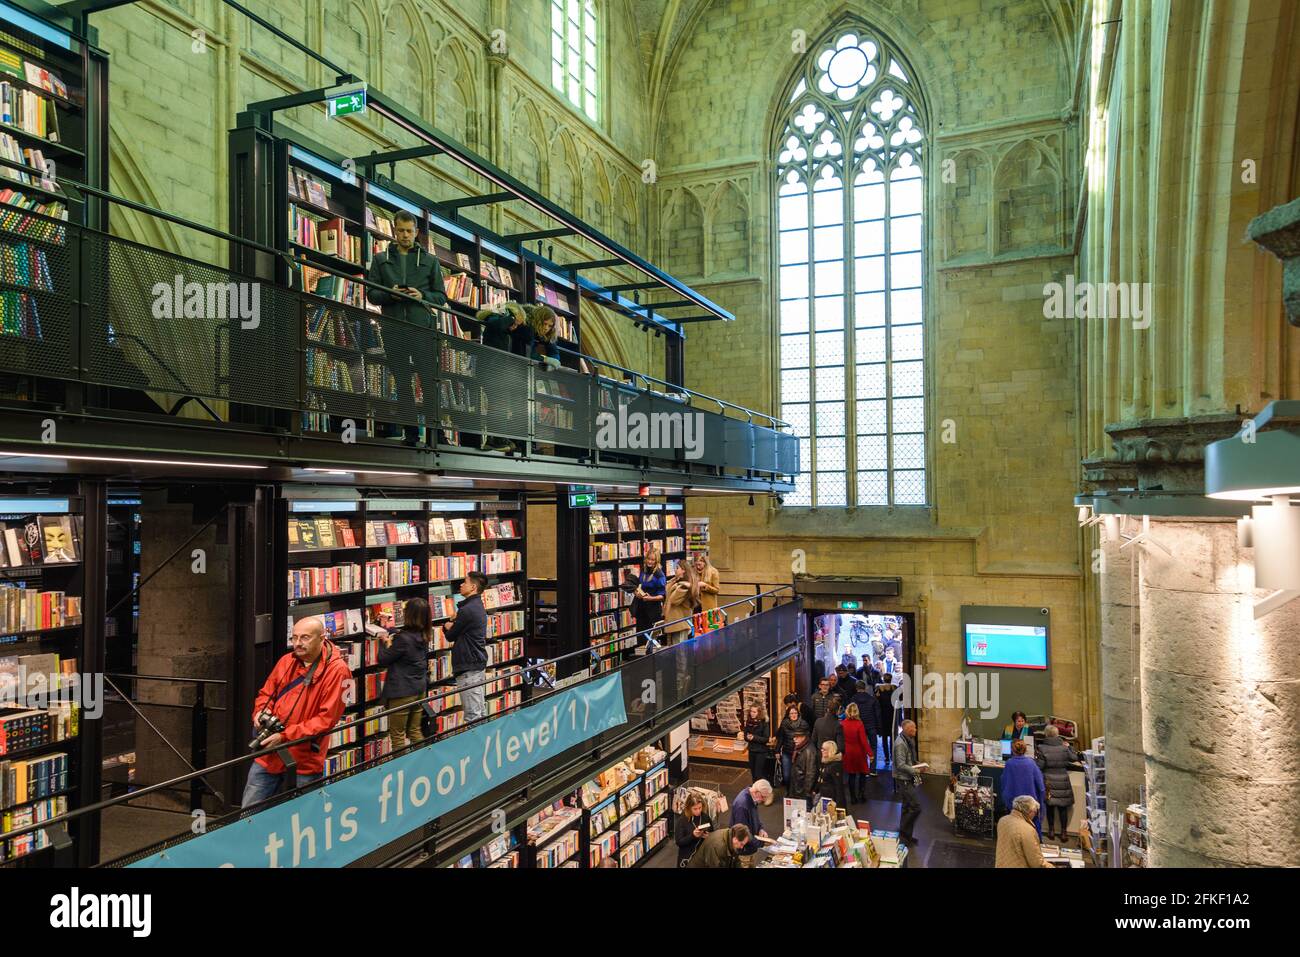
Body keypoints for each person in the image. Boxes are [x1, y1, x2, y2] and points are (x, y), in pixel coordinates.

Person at [241, 616, 350, 807]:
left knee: (303, 820)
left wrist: (285, 736)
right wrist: (259, 713)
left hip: (304, 757)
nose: (298, 644)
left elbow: (326, 720)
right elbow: (266, 693)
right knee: (249, 813)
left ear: (322, 638)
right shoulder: (286, 661)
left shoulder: (338, 671)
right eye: (294, 638)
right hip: (270, 751)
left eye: (305, 638)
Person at [365, 210, 447, 323]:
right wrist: (390, 294)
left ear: (416, 232)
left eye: (409, 231)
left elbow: (441, 297)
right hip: (391, 327)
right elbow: (371, 295)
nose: (405, 235)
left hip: (421, 329)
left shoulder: (431, 261)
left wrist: (422, 296)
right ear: (395, 231)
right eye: (401, 230)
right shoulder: (380, 259)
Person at [378, 597, 432, 751]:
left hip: (402, 692)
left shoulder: (403, 639)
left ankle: (402, 771)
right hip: (419, 688)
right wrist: (391, 632)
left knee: (397, 734)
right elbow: (406, 643)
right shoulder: (424, 634)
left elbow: (383, 659)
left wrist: (384, 642)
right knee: (414, 731)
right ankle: (423, 763)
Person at [443, 571, 488, 724]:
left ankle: (476, 747)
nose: (461, 585)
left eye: (464, 582)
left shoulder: (467, 610)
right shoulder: (477, 605)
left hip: (469, 666)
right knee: (479, 711)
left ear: (473, 587)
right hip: (476, 662)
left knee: (472, 715)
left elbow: (450, 635)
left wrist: (447, 625)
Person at [1035, 725, 1080, 842]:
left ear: (1045, 734)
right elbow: (1074, 758)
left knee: (1050, 806)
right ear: (1057, 734)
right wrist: (1069, 747)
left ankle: (1051, 831)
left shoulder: (1041, 747)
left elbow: (1040, 766)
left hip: (1048, 780)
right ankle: (1064, 833)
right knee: (1062, 808)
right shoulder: (1064, 747)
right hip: (1063, 779)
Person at [1000, 738, 1046, 837]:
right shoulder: (1031, 763)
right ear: (1025, 750)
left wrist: (1007, 802)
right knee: (1032, 835)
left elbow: (1004, 783)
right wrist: (1040, 805)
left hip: (1014, 806)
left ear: (1012, 750)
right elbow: (1041, 786)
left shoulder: (1009, 763)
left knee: (1014, 834)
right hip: (1030, 806)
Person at [893, 719, 927, 846]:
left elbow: (909, 760)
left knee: (907, 807)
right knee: (916, 807)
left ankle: (907, 836)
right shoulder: (900, 744)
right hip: (903, 779)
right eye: (914, 728)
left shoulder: (908, 741)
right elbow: (900, 764)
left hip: (907, 777)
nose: (916, 730)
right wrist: (916, 770)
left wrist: (918, 765)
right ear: (908, 730)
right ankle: (903, 831)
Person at [996, 795, 1053, 868]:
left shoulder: (1003, 820)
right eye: (1035, 812)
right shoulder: (1027, 830)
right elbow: (1036, 862)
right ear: (1030, 812)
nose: (1035, 816)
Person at [841, 702, 875, 802]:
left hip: (848, 752)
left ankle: (853, 798)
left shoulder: (843, 724)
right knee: (862, 774)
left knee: (851, 775)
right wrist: (871, 754)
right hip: (859, 752)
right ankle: (861, 795)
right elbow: (864, 741)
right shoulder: (859, 724)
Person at [730, 779, 772, 854]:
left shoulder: (752, 798)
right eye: (763, 797)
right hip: (743, 850)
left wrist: (760, 829)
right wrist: (761, 843)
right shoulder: (742, 806)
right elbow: (742, 834)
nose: (764, 800)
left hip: (749, 846)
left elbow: (755, 817)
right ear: (757, 792)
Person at [662, 561, 699, 644]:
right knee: (674, 652)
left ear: (684, 570)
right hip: (673, 622)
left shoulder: (684, 586)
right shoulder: (676, 582)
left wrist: (677, 586)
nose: (675, 570)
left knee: (680, 652)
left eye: (677, 568)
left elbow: (673, 600)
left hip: (680, 624)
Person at [631, 551, 666, 637]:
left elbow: (662, 596)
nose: (650, 561)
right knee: (641, 636)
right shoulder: (643, 571)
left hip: (653, 611)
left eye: (653, 560)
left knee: (652, 637)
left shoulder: (659, 574)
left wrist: (650, 598)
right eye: (648, 559)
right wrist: (636, 592)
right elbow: (639, 586)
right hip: (641, 609)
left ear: (657, 561)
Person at [850, 680, 881, 774]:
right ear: (865, 688)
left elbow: (851, 713)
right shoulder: (872, 699)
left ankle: (862, 768)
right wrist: (879, 727)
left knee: (860, 746)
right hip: (871, 726)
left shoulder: (853, 699)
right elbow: (878, 714)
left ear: (856, 688)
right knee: (873, 746)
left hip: (858, 726)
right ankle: (872, 769)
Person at [674, 793, 712, 866]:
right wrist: (693, 835)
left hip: (702, 856)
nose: (698, 811)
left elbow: (712, 831)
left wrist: (708, 836)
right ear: (689, 807)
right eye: (695, 809)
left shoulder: (705, 817)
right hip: (687, 857)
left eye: (700, 808)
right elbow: (679, 842)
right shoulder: (682, 820)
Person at [787, 723, 819, 806]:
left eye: (797, 737)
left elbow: (811, 773)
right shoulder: (801, 747)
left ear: (804, 737)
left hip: (802, 791)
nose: (794, 739)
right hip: (797, 788)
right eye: (794, 737)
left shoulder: (809, 751)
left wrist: (807, 793)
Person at [776, 703, 804, 785]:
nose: (793, 715)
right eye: (791, 713)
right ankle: (788, 790)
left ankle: (794, 793)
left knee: (798, 776)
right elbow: (781, 738)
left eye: (795, 713)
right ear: (788, 714)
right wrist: (777, 751)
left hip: (799, 753)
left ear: (798, 714)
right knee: (786, 776)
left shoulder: (803, 723)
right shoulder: (784, 723)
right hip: (787, 753)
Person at [742, 705, 771, 783]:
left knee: (758, 773)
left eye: (754, 712)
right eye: (751, 711)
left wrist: (754, 738)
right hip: (752, 750)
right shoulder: (748, 721)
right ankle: (755, 789)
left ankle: (759, 790)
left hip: (761, 751)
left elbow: (766, 739)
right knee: (753, 773)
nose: (752, 713)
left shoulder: (764, 723)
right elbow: (745, 735)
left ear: (759, 713)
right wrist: (747, 737)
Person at [813, 693, 844, 763]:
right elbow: (841, 747)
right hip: (832, 758)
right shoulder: (838, 725)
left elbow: (813, 740)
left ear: (827, 709)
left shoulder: (818, 721)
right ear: (838, 710)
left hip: (820, 755)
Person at [876, 672, 899, 765]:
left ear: (883, 679)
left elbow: (876, 701)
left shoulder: (878, 689)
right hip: (892, 715)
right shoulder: (895, 688)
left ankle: (886, 757)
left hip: (882, 716)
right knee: (893, 737)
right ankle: (893, 756)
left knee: (884, 739)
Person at [817, 740, 847, 808]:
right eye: (821, 748)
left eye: (824, 749)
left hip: (831, 800)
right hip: (825, 797)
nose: (821, 750)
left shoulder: (835, 766)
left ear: (830, 751)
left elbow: (839, 787)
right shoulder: (826, 762)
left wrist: (839, 806)